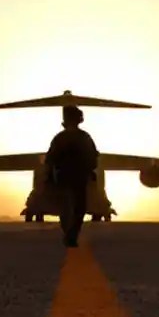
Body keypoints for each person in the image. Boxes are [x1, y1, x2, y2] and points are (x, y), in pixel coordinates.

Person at [44, 105, 99, 247]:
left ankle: (69, 234)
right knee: (79, 208)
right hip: (79, 176)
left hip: (63, 176)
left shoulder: (60, 138)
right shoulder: (84, 137)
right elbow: (93, 157)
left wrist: (49, 175)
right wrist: (91, 171)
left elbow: (50, 159)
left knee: (66, 207)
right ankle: (71, 235)